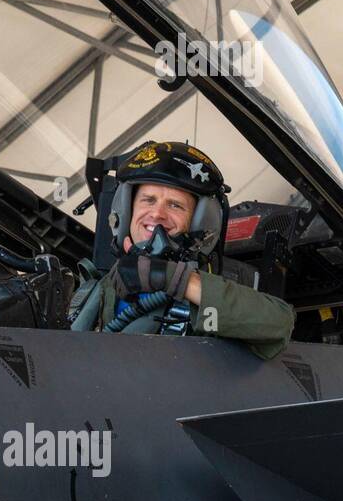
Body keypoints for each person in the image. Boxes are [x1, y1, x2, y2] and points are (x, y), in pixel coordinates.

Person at [68, 141, 294, 359]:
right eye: (148, 200)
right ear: (125, 211)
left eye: (175, 205)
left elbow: (278, 324)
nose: (157, 214)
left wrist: (177, 280)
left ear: (200, 223)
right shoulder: (95, 290)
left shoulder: (205, 301)